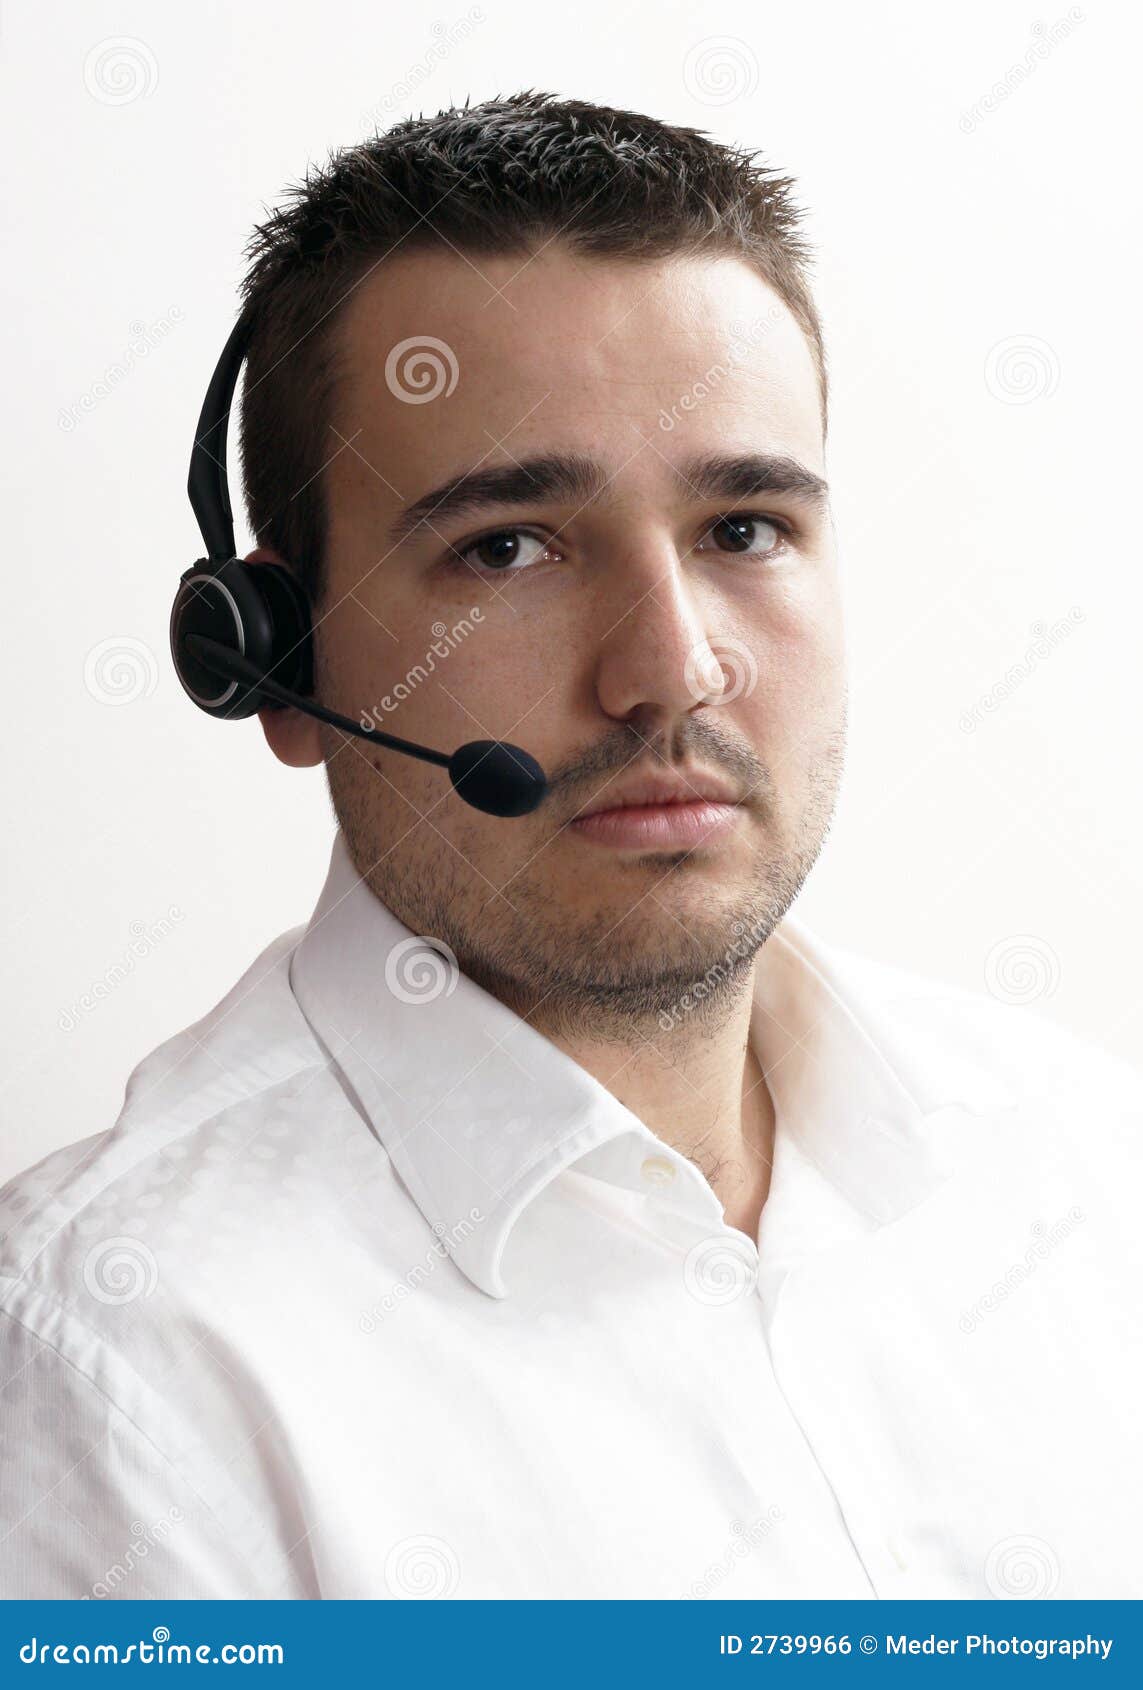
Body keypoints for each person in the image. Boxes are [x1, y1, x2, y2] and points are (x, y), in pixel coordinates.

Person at [1, 91, 1140, 1602]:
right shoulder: (120, 1364)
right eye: (509, 548)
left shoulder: (1076, 1158)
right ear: (277, 666)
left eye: (744, 526)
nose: (670, 671)